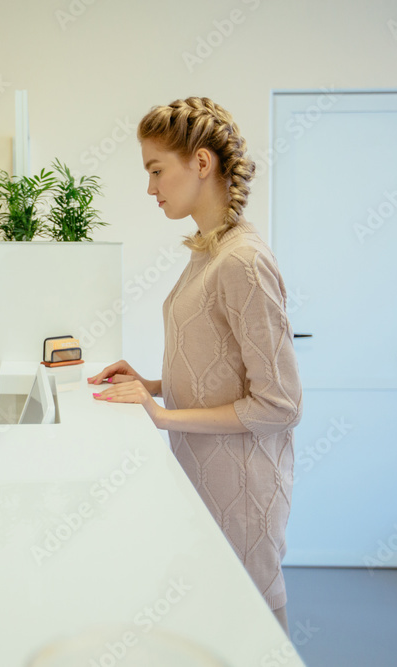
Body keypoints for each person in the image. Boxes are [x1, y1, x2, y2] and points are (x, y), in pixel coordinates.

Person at [89, 97, 302, 633]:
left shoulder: (243, 261)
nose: (150, 187)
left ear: (201, 162)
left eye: (156, 170)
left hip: (242, 488)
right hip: (206, 474)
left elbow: (280, 405)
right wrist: (151, 384)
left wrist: (161, 415)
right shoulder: (209, 251)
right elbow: (221, 370)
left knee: (248, 632)